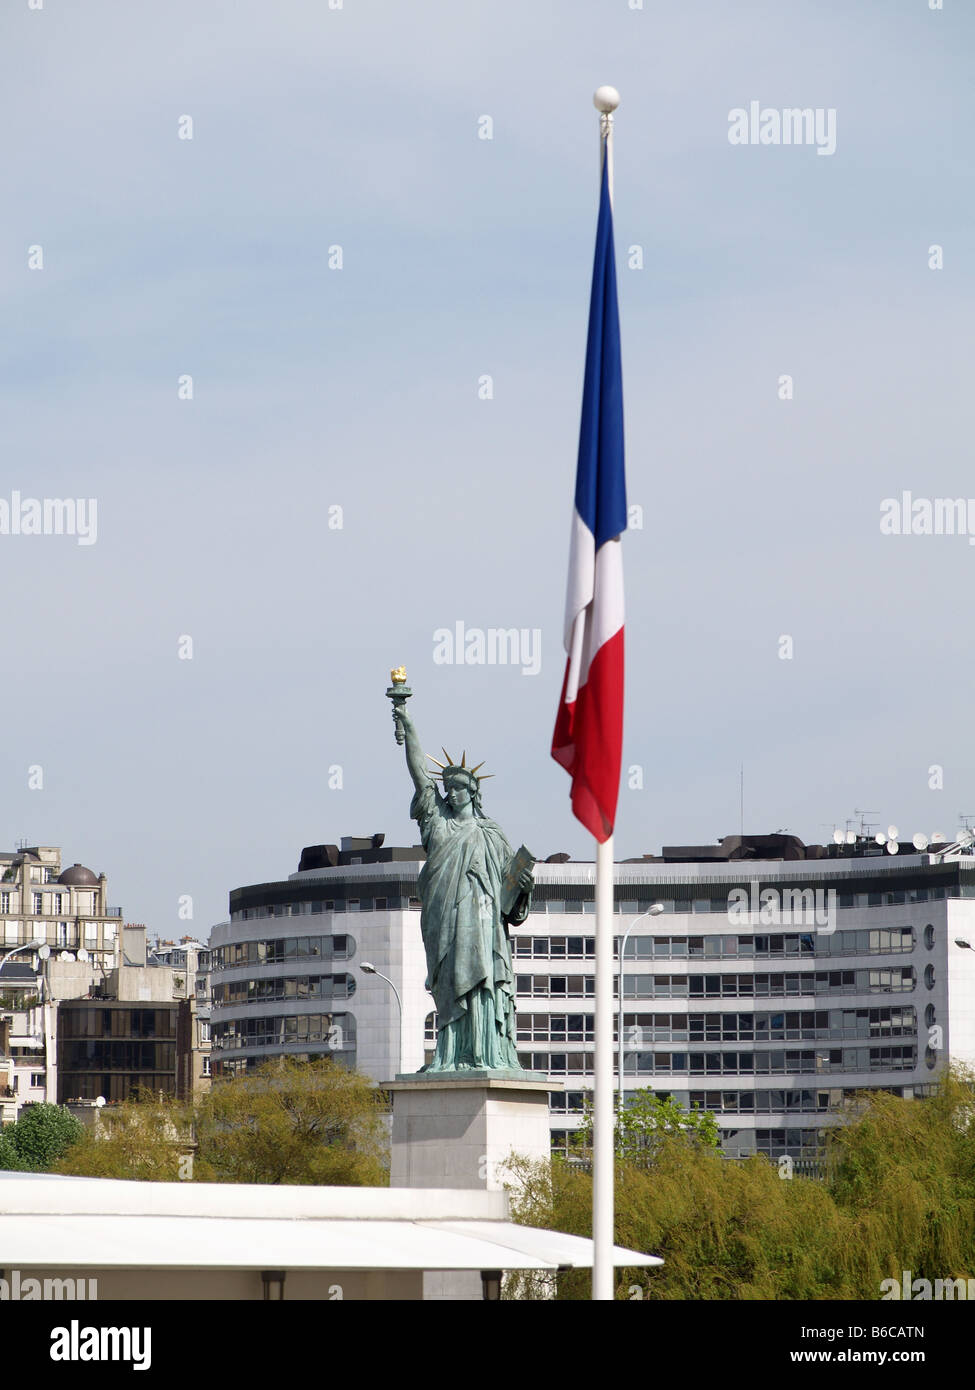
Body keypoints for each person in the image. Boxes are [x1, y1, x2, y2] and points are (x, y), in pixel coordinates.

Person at [392, 703, 533, 1071]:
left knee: (483, 982)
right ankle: (452, 1054)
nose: (451, 794)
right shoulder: (436, 822)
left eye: (458, 789)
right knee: (451, 983)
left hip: (484, 924)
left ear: (472, 792)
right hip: (446, 920)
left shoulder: (491, 833)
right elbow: (420, 774)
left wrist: (524, 887)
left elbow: (509, 896)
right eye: (448, 788)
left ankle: (487, 1053)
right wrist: (408, 725)